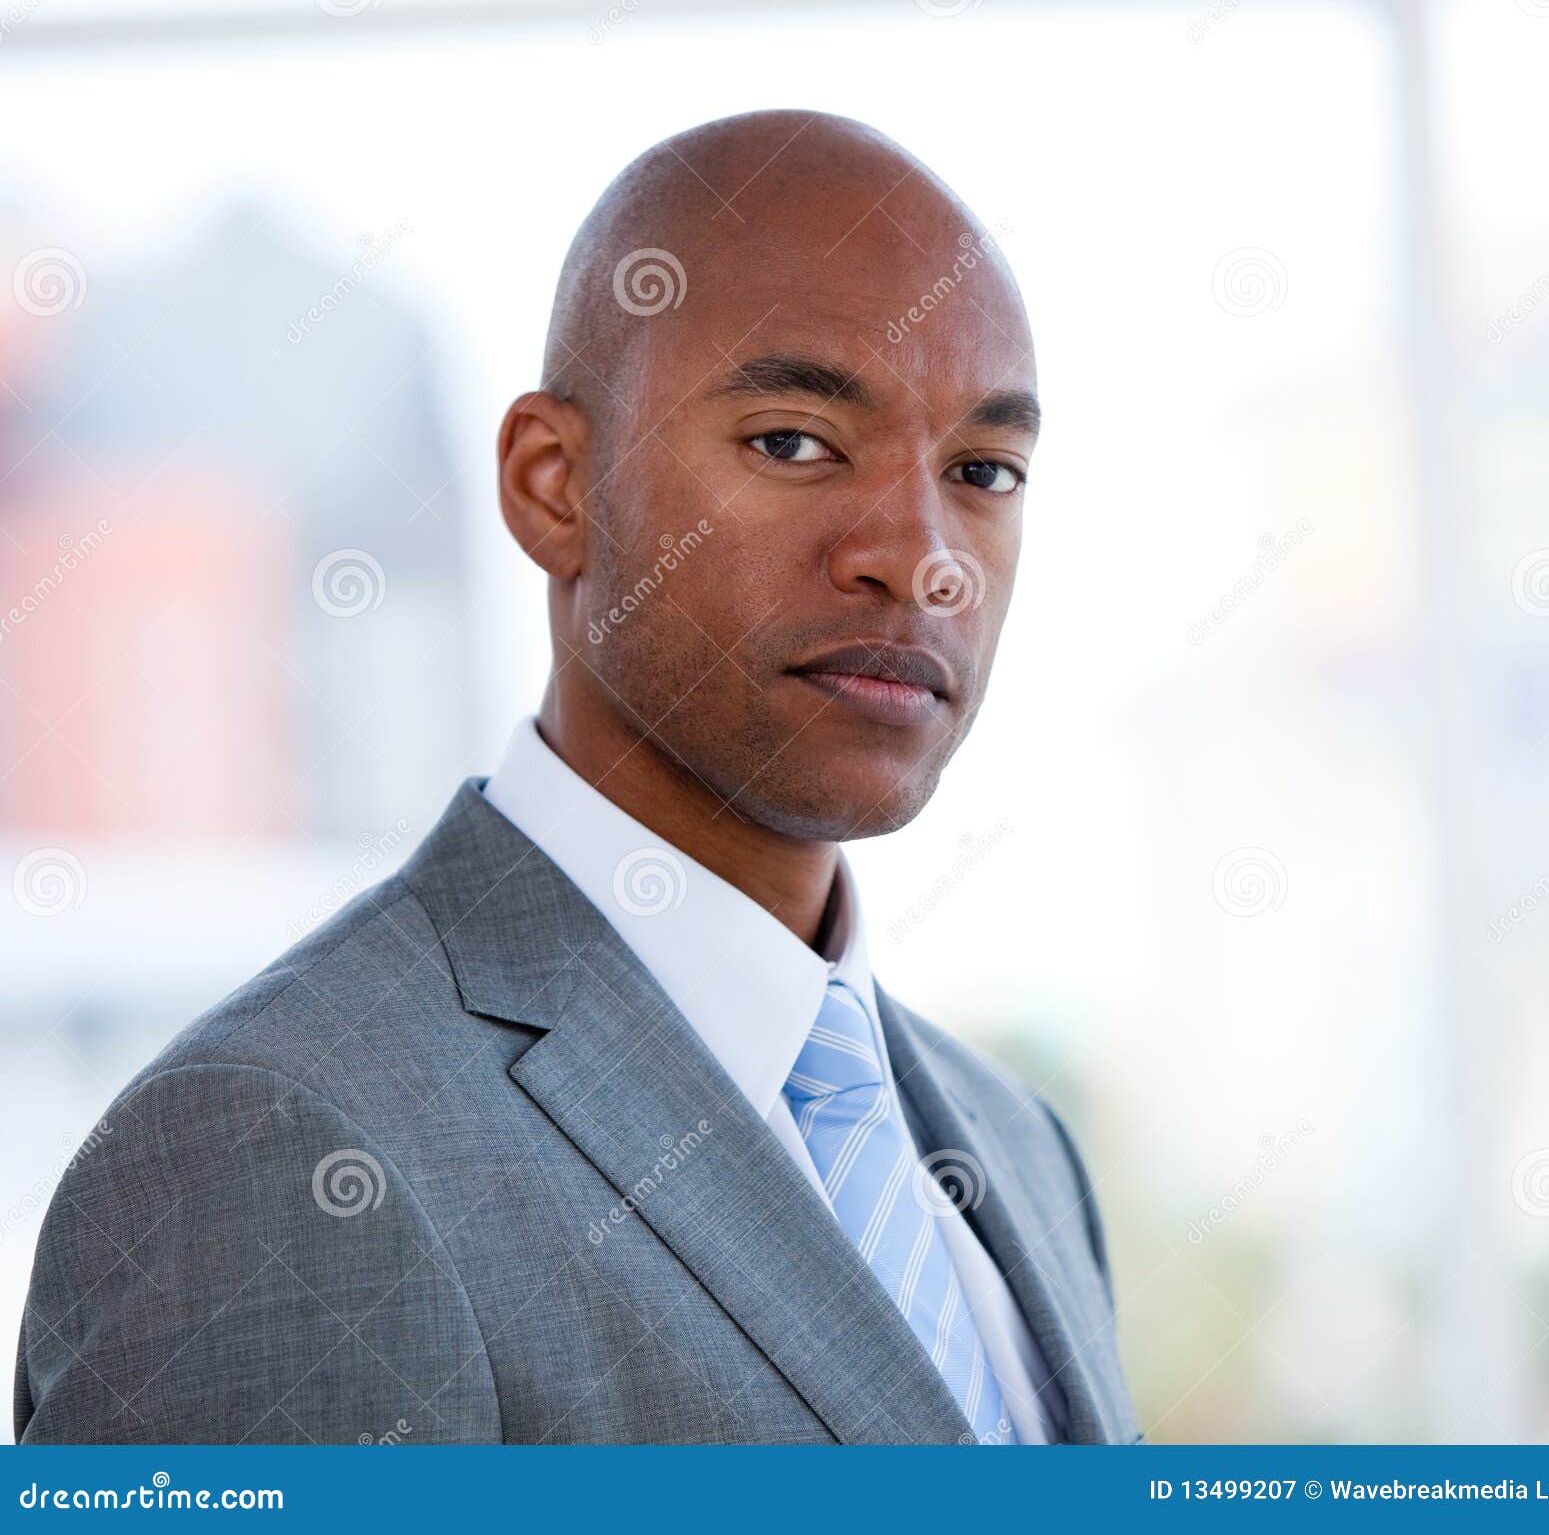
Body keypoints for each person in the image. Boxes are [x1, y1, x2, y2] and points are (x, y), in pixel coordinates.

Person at [16, 110, 1139, 1446]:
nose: (921, 558)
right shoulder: (277, 1152)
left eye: (984, 470)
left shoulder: (1020, 1155)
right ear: (553, 485)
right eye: (793, 442)